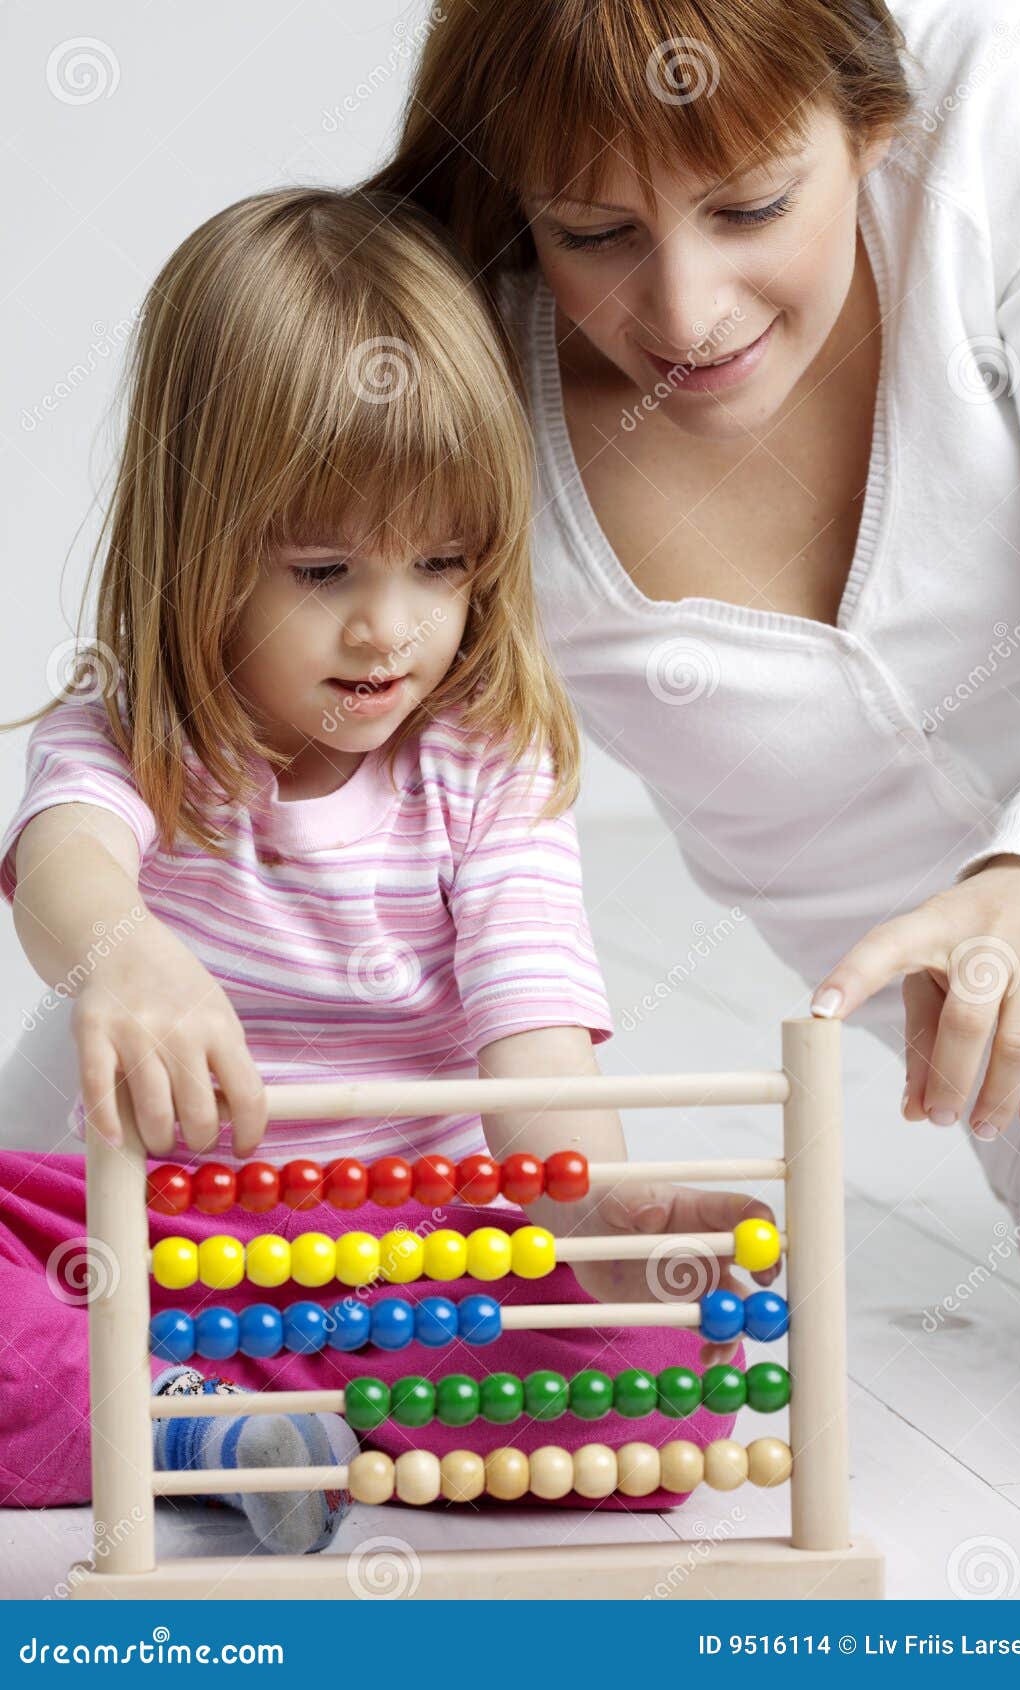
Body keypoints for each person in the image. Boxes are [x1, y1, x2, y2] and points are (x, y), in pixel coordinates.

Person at [0, 186, 776, 1549]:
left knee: (651, 1377)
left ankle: (204, 1414)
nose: (389, 628)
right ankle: (199, 1417)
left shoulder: (490, 768)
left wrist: (601, 1217)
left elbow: (538, 1055)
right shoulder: (130, 731)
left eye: (441, 563)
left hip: (415, 1259)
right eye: (322, 570)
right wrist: (125, 953)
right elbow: (67, 860)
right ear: (197, 542)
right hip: (142, 1238)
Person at [362, 0, 1020, 1321]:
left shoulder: (1007, 122)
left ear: (870, 121)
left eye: (751, 207)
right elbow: (248, 780)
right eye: (594, 232)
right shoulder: (449, 392)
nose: (686, 312)